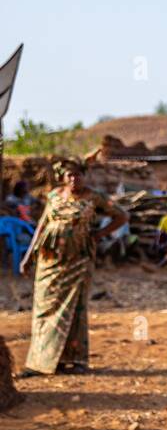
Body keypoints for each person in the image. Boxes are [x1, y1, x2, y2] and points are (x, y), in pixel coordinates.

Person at [20, 159, 125, 376]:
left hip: (79, 259)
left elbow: (122, 216)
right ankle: (44, 360)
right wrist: (29, 256)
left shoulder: (94, 197)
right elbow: (43, 225)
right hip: (49, 260)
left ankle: (77, 359)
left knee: (76, 309)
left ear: (84, 176)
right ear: (63, 177)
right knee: (44, 308)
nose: (74, 178)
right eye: (70, 175)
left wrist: (99, 235)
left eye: (78, 174)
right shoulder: (54, 195)